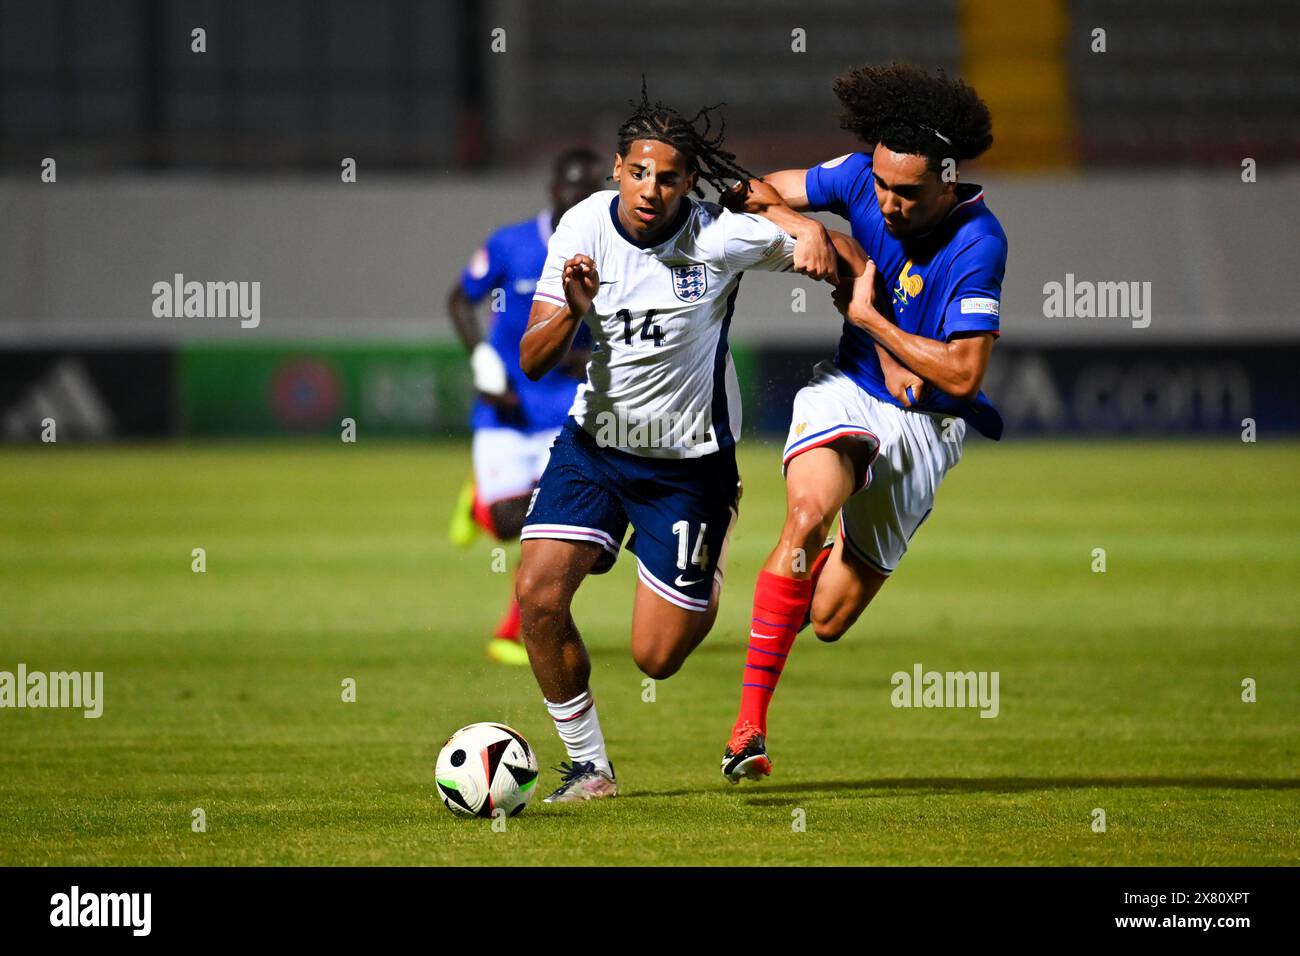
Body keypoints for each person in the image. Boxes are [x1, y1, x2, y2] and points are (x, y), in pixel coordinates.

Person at [514, 83, 872, 802]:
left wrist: (804, 232)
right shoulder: (582, 228)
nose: (652, 189)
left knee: (656, 658)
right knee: (536, 595)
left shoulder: (720, 235)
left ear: (687, 182)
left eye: (669, 176)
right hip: (594, 448)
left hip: (687, 470)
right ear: (618, 168)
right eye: (639, 172)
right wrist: (576, 314)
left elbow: (845, 253)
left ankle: (708, 558)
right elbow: (532, 358)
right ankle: (590, 768)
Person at [718, 63, 1009, 783]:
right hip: (846, 393)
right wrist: (801, 225)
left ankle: (797, 584)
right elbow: (745, 188)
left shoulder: (980, 244)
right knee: (807, 514)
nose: (887, 203)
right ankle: (747, 730)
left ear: (948, 181)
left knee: (828, 619)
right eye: (880, 185)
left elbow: (965, 374)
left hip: (927, 432)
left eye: (907, 193)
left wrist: (871, 317)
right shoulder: (856, 177)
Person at [445, 148, 605, 665]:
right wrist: (482, 365)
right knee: (509, 520)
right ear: (553, 188)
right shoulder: (510, 244)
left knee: (554, 531)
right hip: (506, 408)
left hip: (565, 411)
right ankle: (479, 507)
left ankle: (513, 631)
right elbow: (459, 299)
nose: (577, 196)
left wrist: (589, 357)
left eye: (589, 188)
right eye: (570, 186)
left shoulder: (612, 248)